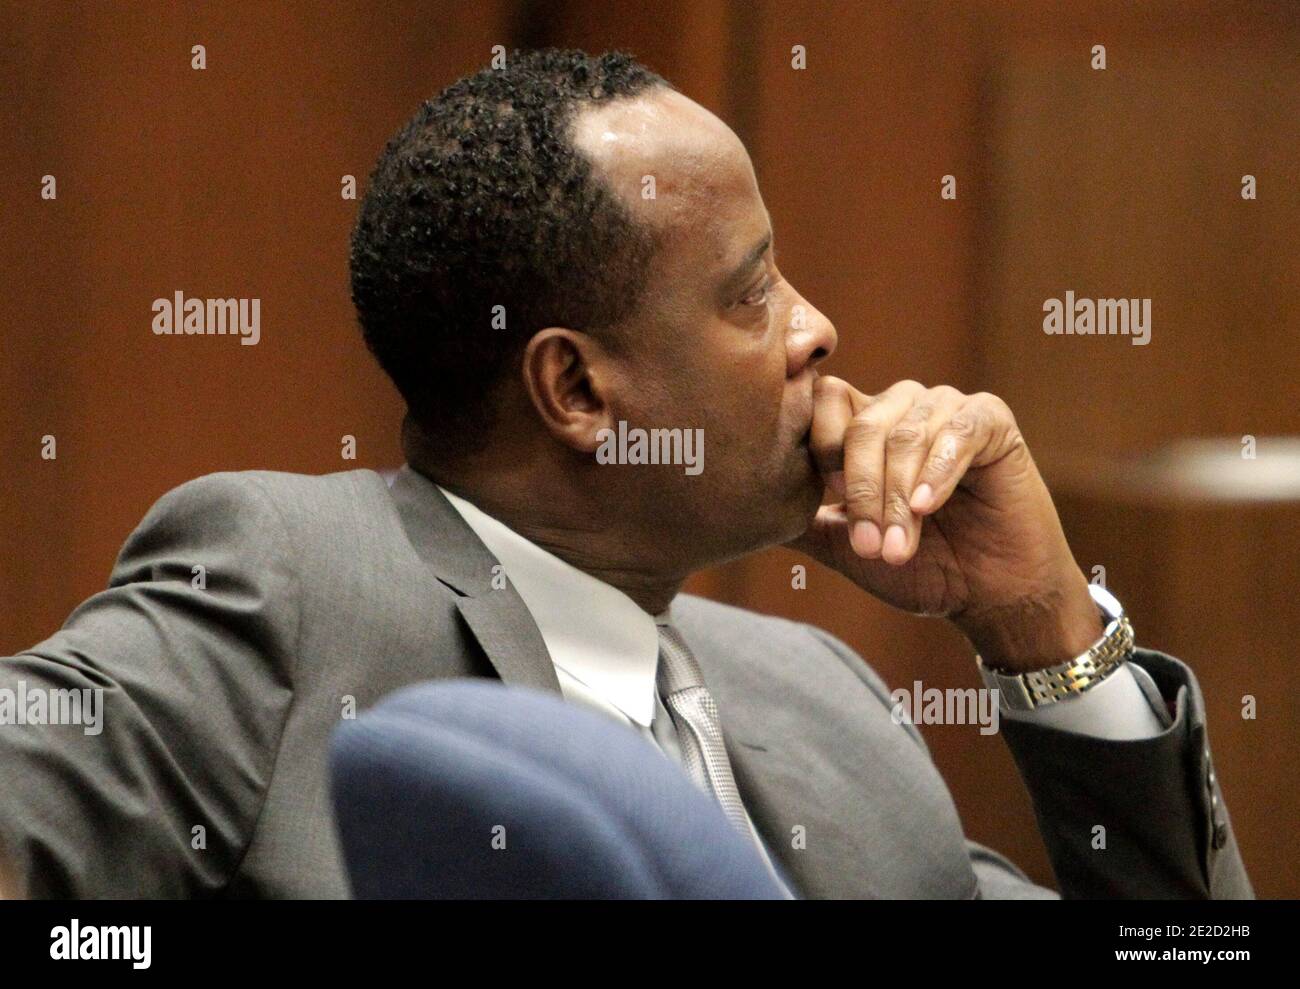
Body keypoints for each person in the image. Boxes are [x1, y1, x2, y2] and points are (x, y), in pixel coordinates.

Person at [0, 48, 1250, 898]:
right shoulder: (296, 586)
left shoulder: (821, 700)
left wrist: (1044, 633)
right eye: (753, 292)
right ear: (578, 391)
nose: (817, 330)